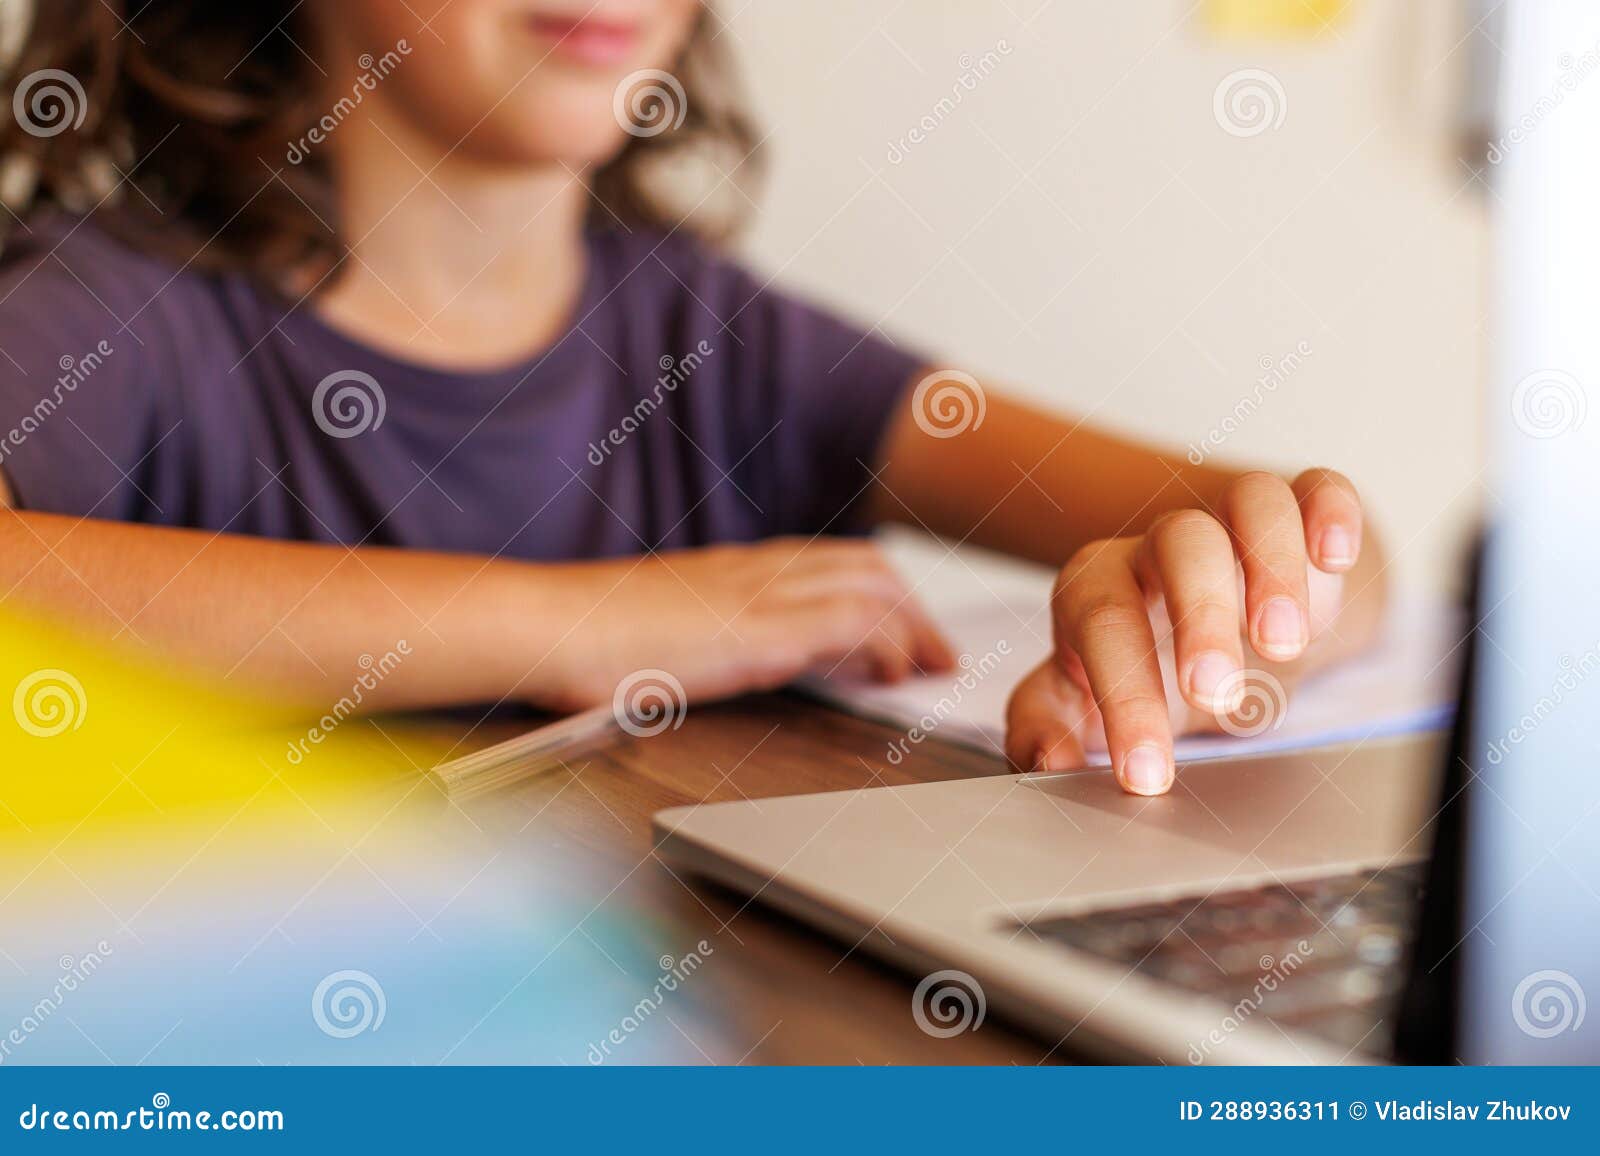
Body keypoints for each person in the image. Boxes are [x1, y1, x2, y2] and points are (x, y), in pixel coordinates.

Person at [0, 1, 1385, 797]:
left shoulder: (712, 337)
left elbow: (1329, 549)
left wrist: (1223, 625)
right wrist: (573, 622)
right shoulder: (113, 309)